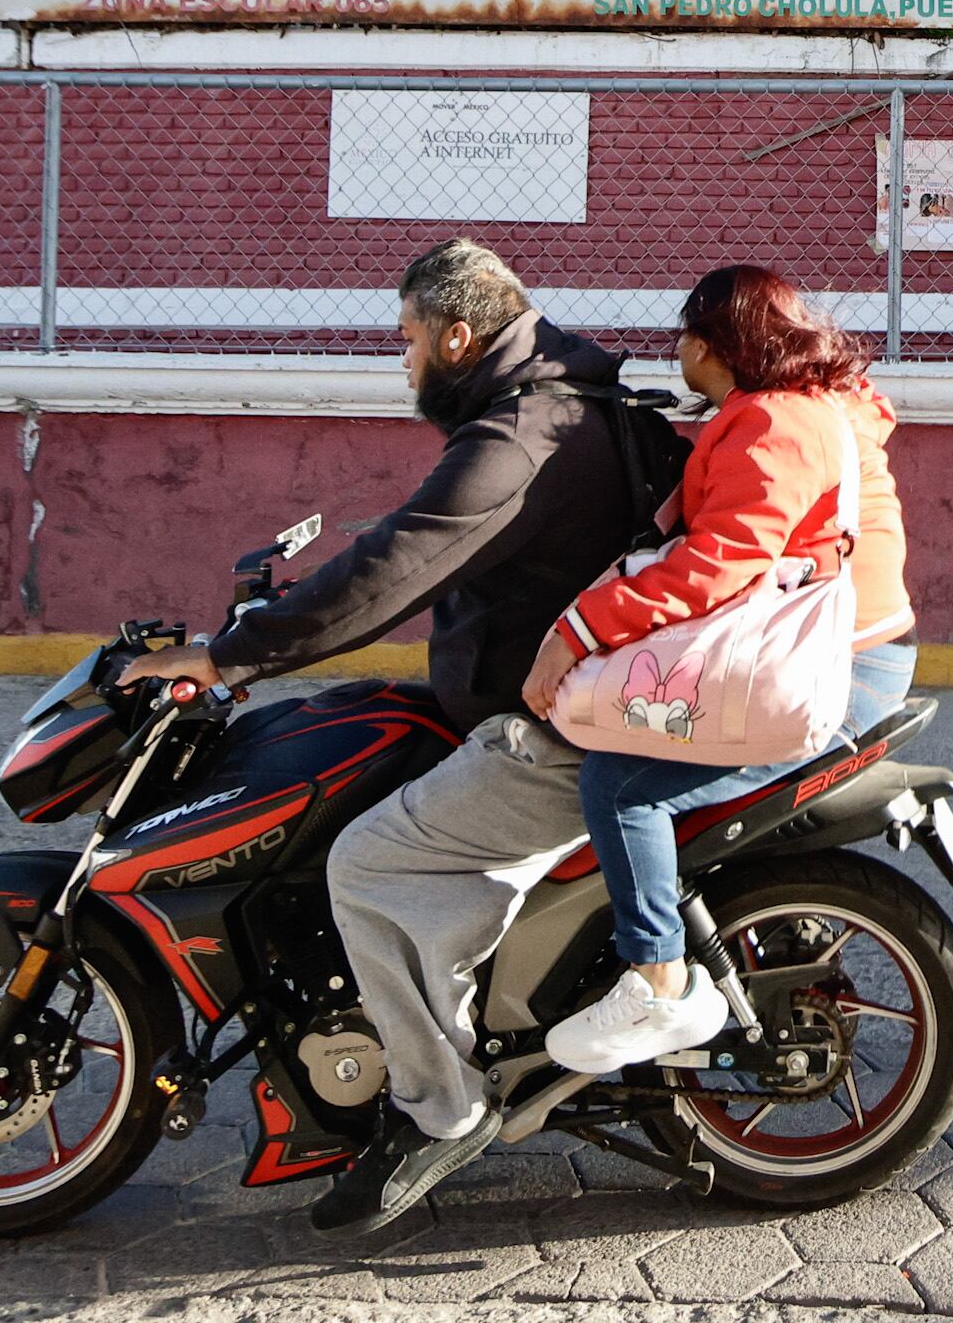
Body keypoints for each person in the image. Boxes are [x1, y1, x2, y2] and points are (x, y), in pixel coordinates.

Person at [117, 236, 644, 1236]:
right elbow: (415, 537)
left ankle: (441, 1109)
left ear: (457, 337)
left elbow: (393, 566)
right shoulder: (551, 396)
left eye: (407, 339)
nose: (402, 360)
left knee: (363, 862)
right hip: (535, 702)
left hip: (555, 733)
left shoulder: (518, 433)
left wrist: (228, 658)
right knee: (351, 734)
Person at [529, 265, 918, 1074]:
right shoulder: (805, 404)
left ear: (714, 345)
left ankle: (658, 981)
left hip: (829, 672)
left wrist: (579, 628)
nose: (677, 352)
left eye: (685, 336)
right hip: (842, 654)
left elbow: (717, 566)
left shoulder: (778, 422)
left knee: (620, 784)